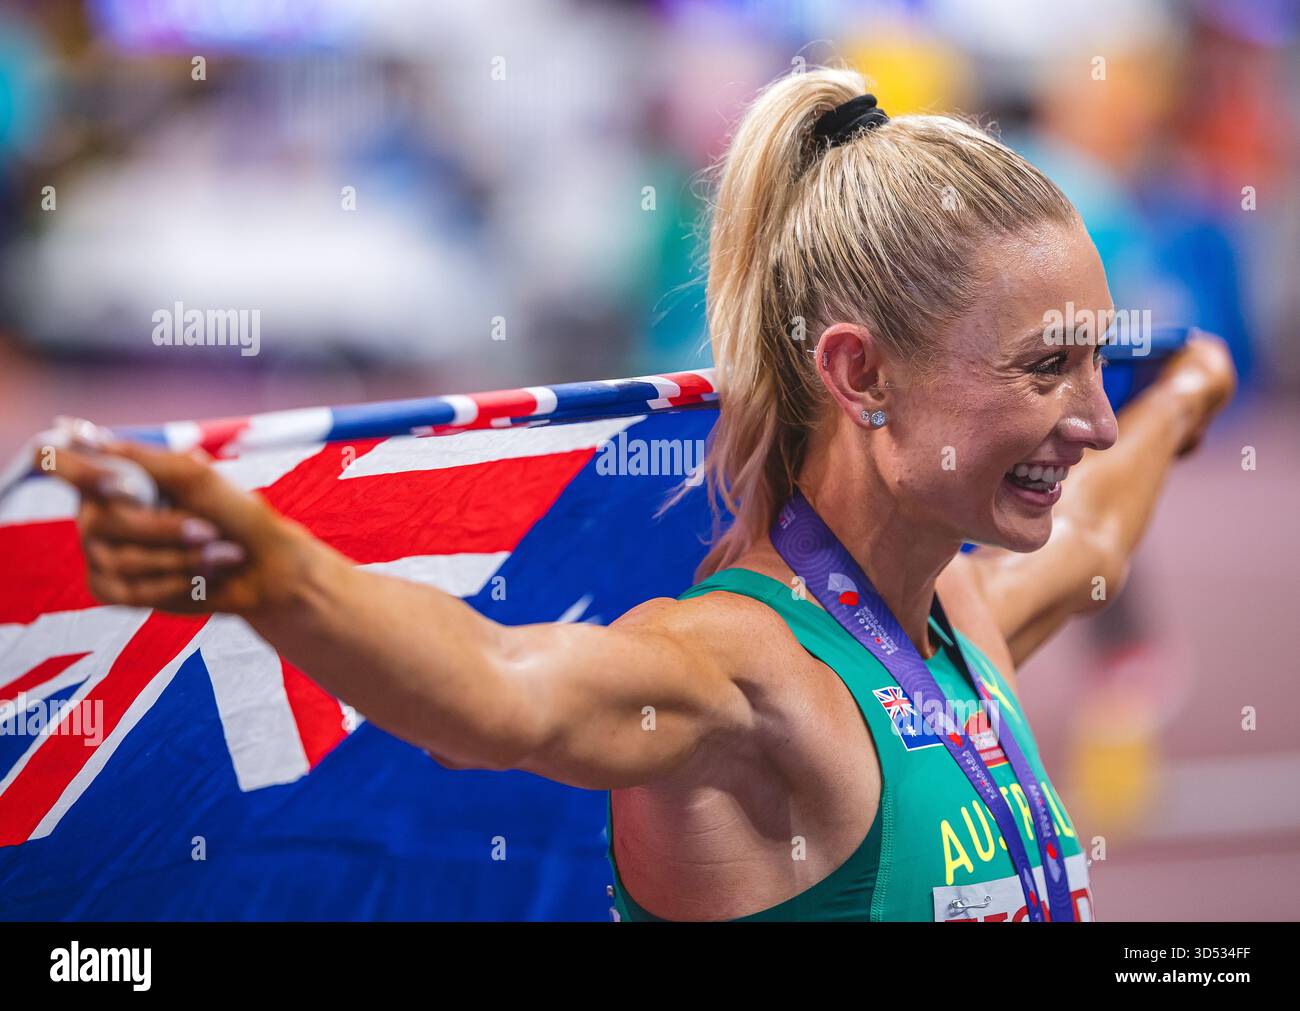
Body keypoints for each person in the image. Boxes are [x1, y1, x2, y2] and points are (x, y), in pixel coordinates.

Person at [45, 66, 1235, 921]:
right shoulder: (741, 679)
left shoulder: (955, 625)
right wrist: (271, 573)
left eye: (1095, 359)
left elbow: (1089, 544)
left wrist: (1180, 398)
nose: (1093, 418)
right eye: (1045, 368)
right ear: (860, 374)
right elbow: (500, 694)